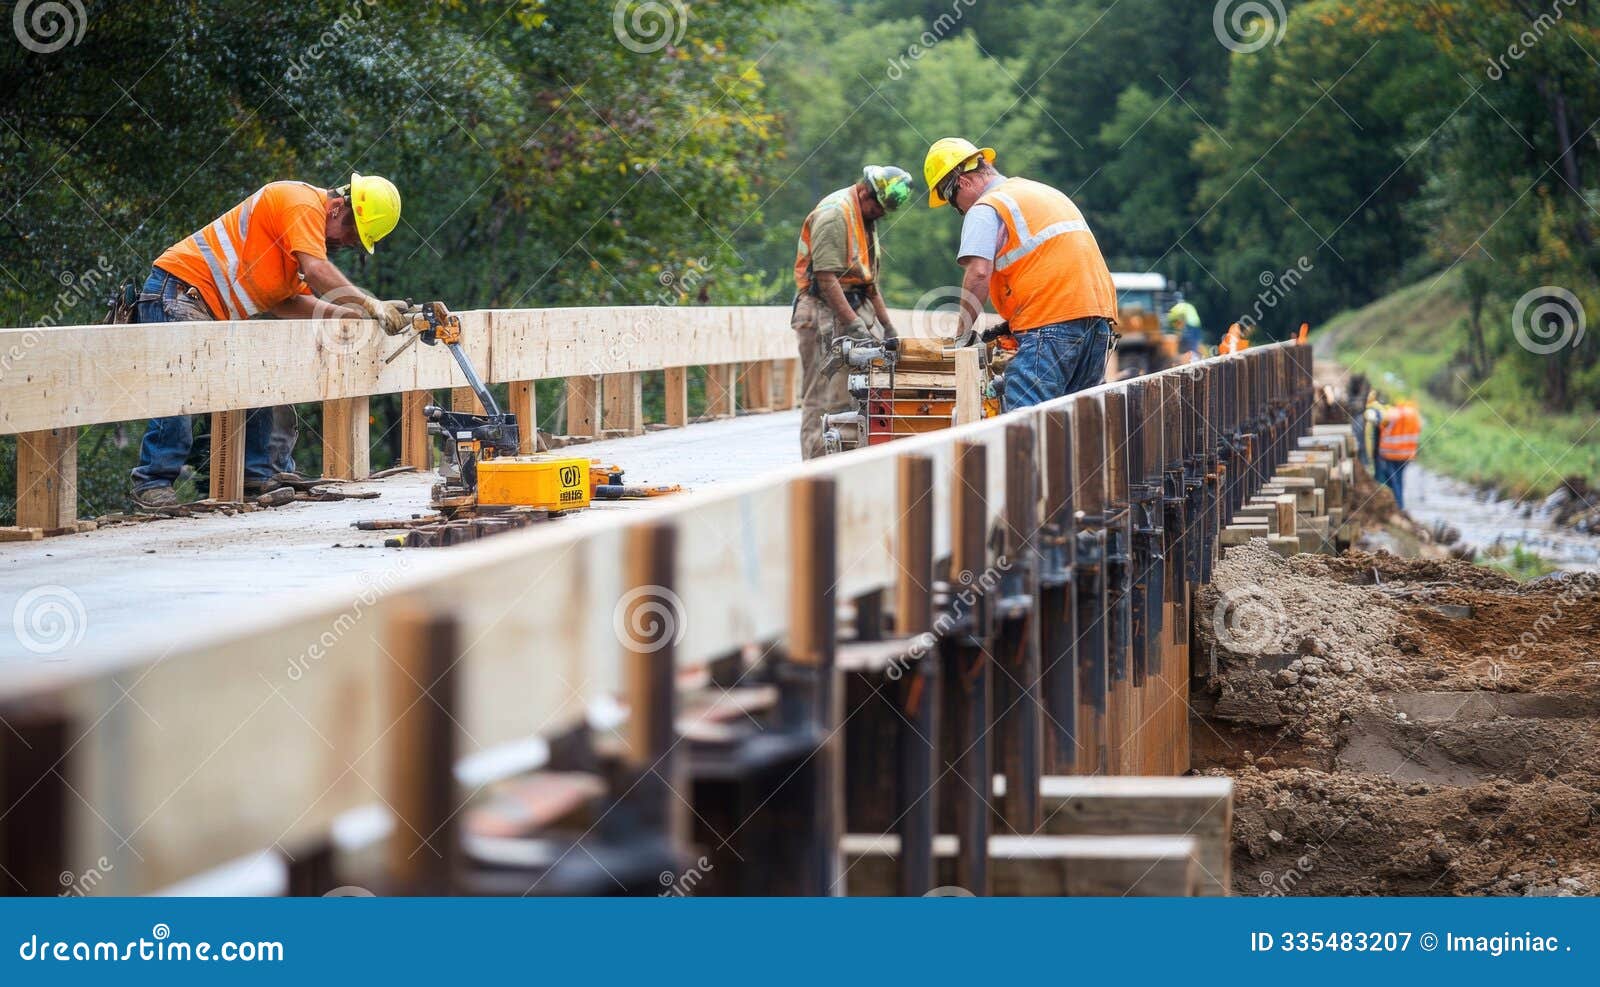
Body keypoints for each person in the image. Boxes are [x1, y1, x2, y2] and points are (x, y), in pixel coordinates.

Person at [128, 174, 408, 508]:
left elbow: (285, 303)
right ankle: (153, 481)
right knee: (183, 385)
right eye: (352, 232)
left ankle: (254, 475)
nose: (349, 243)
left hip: (203, 306)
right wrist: (367, 303)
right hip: (177, 291)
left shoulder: (301, 242)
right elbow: (318, 270)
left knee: (257, 376)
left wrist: (351, 316)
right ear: (337, 208)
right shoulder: (302, 203)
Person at [923, 137, 1116, 411]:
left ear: (962, 183)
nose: (959, 210)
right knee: (1077, 424)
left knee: (1023, 425)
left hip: (1052, 323)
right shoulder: (1039, 191)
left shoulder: (985, 207)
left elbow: (978, 274)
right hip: (1098, 320)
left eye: (953, 203)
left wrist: (962, 335)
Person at [792, 164, 912, 459]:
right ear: (864, 191)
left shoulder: (864, 217)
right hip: (824, 311)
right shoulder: (835, 215)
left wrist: (887, 326)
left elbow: (868, 282)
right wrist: (855, 324)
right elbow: (825, 277)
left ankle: (848, 467)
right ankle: (817, 472)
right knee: (822, 398)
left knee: (853, 396)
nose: (881, 215)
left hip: (853, 306)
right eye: (878, 208)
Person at [1376, 399, 1422, 508]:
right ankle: (1399, 505)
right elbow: (1419, 429)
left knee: (1394, 480)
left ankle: (1398, 505)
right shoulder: (1414, 414)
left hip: (1390, 453)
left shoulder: (1391, 413)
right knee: (1399, 479)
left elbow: (1381, 425)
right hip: (1406, 454)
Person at [1167, 294, 1202, 361]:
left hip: (1188, 326)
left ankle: (1189, 359)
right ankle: (1194, 358)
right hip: (1196, 325)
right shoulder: (1188, 306)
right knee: (1194, 345)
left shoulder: (1176, 309)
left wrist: (1178, 334)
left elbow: (1179, 322)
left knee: (1185, 346)